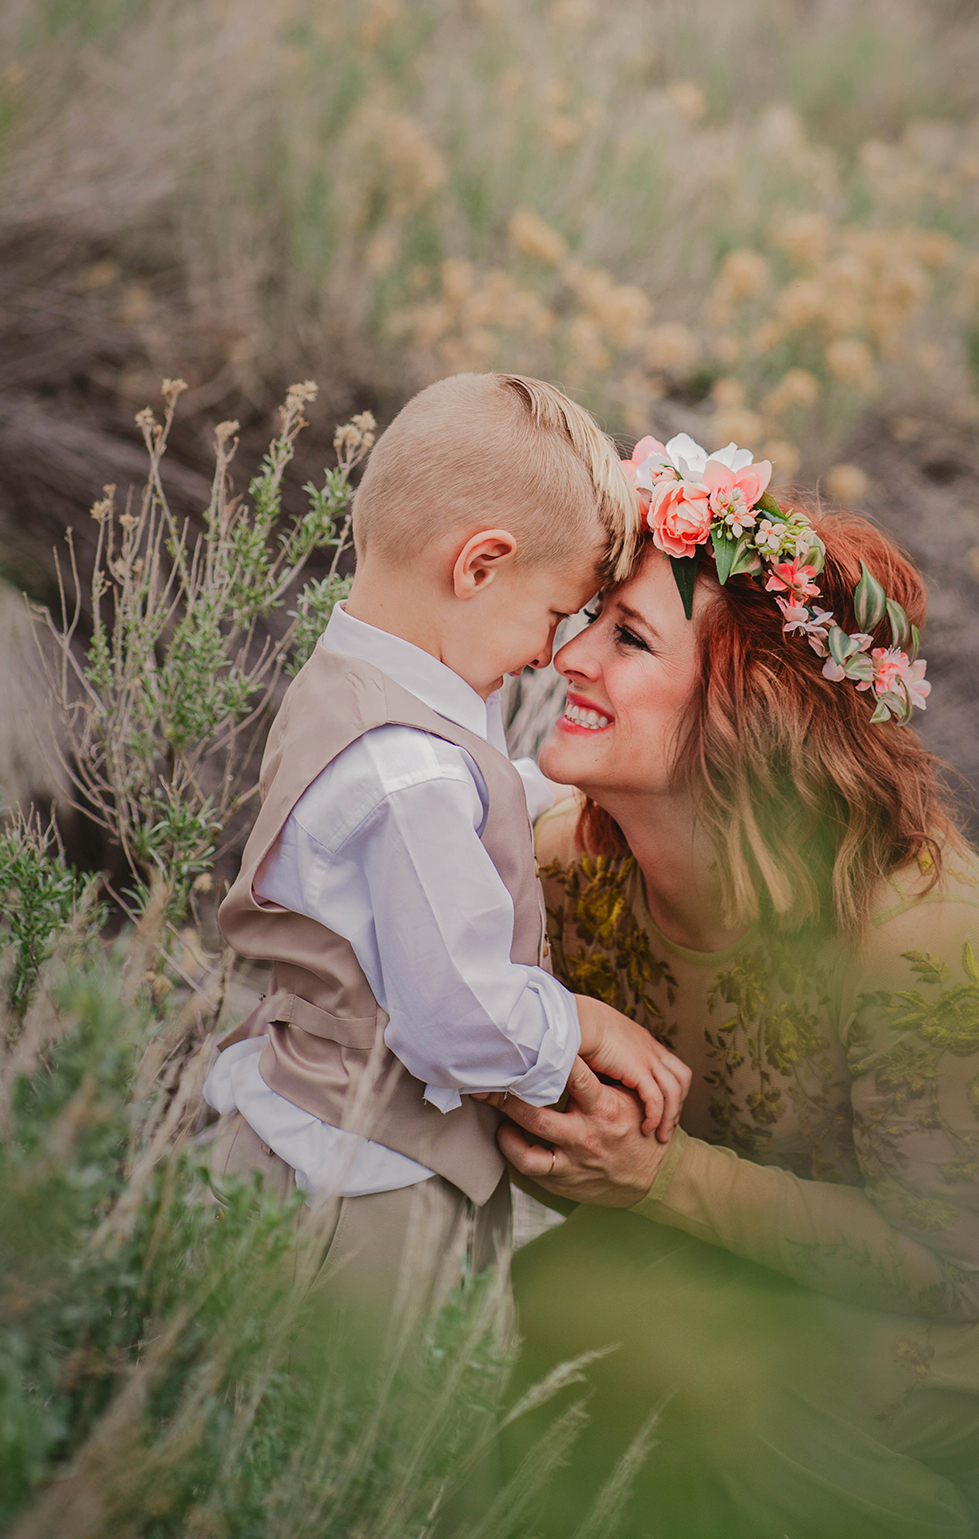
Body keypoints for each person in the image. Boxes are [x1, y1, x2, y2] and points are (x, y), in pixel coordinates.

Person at [490, 432, 979, 1539]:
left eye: (626, 636)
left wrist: (657, 1175)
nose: (568, 654)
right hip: (736, 1260)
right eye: (590, 617)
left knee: (737, 1402)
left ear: (747, 713)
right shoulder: (568, 875)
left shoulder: (919, 937)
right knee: (564, 1315)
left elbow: (955, 1270)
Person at [204, 377, 690, 1339]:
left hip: (320, 1137)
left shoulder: (362, 683)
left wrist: (561, 792)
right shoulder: (409, 775)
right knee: (354, 1415)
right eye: (554, 613)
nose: (550, 654)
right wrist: (584, 1025)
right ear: (479, 566)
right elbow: (458, 1023)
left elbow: (460, 806)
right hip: (362, 1192)